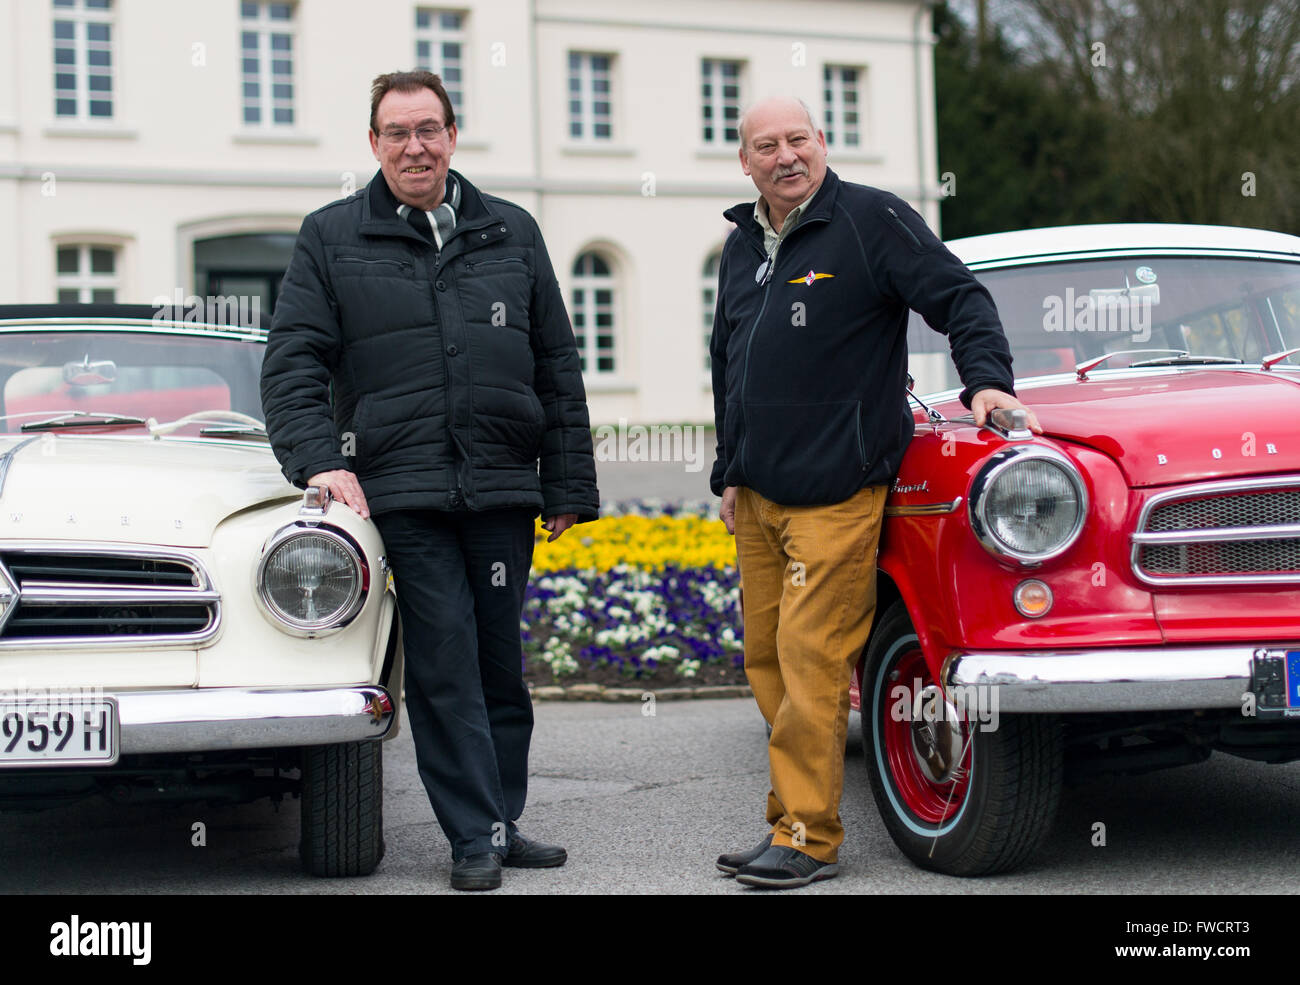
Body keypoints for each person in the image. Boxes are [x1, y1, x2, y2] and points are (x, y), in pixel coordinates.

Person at [260, 70, 599, 891]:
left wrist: (567, 486)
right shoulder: (332, 236)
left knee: (496, 660)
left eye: (428, 129)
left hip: (501, 487)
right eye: (396, 132)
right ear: (373, 144)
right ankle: (470, 837)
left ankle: (499, 816)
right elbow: (292, 363)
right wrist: (320, 461)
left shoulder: (511, 231)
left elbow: (555, 361)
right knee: (444, 661)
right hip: (400, 490)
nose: (415, 146)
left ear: (452, 135)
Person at [708, 96, 1041, 889]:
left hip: (836, 492)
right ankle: (788, 817)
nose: (786, 156)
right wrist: (728, 472)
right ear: (744, 162)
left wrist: (987, 383)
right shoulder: (740, 245)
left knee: (812, 658)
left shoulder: (870, 220)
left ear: (822, 143)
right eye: (767, 145)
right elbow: (728, 360)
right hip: (757, 494)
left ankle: (809, 839)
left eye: (799, 139)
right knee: (767, 662)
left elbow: (959, 298)